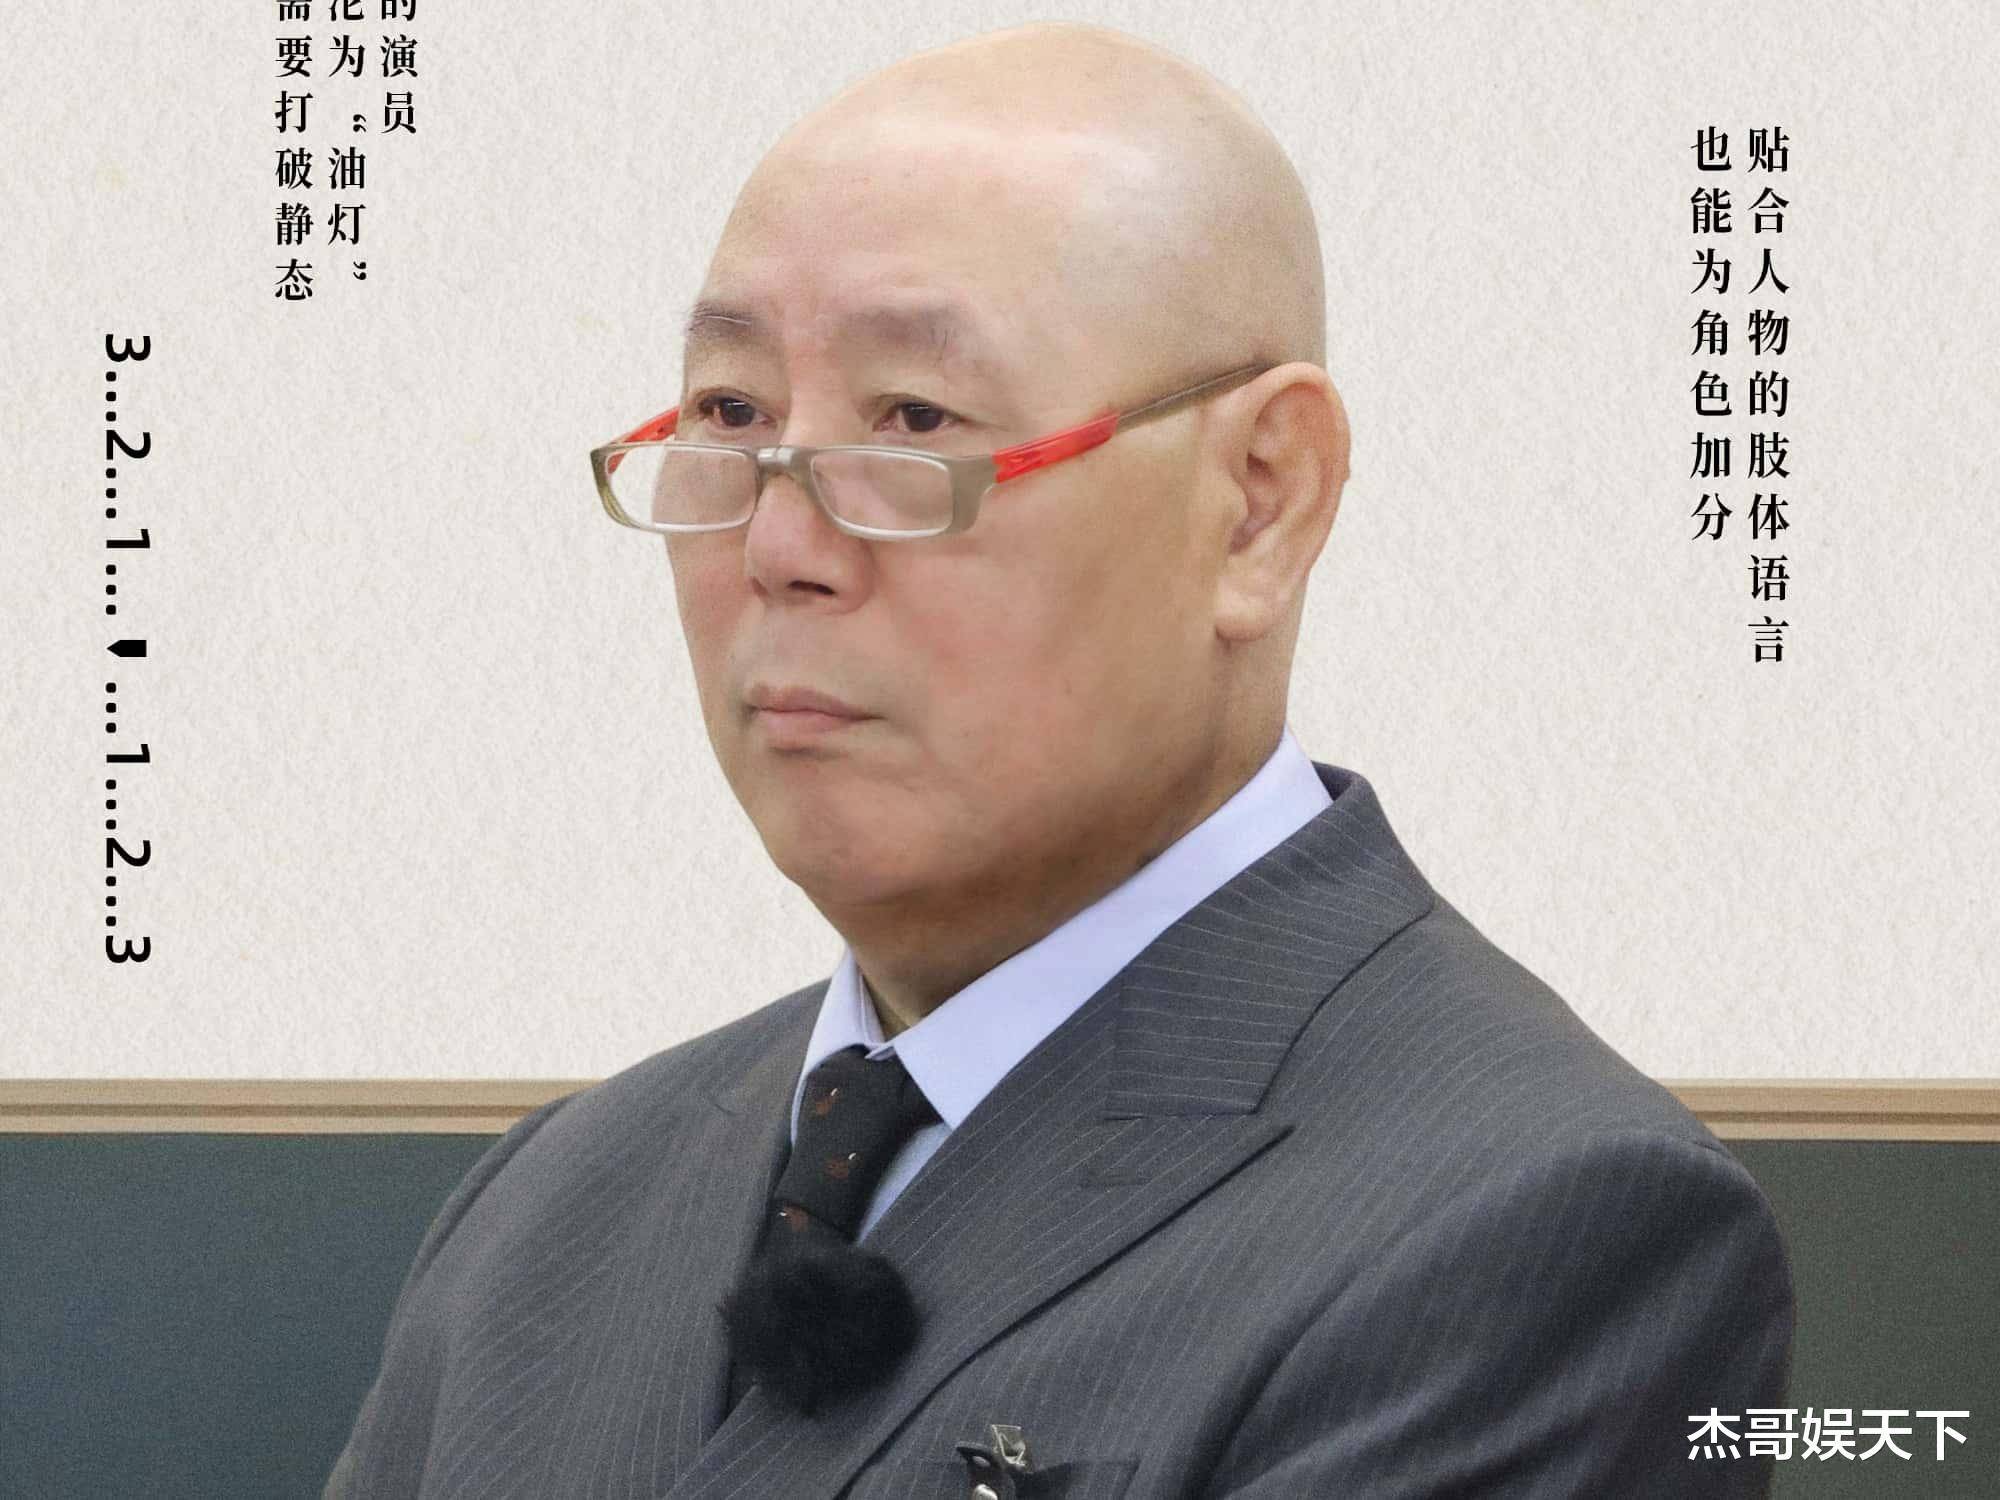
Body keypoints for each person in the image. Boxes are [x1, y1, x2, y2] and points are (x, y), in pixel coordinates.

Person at [326, 21, 1793, 1498]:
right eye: (731, 414)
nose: (778, 545)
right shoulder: (552, 1209)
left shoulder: (1528, 1222)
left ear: (1260, 501)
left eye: (914, 420)